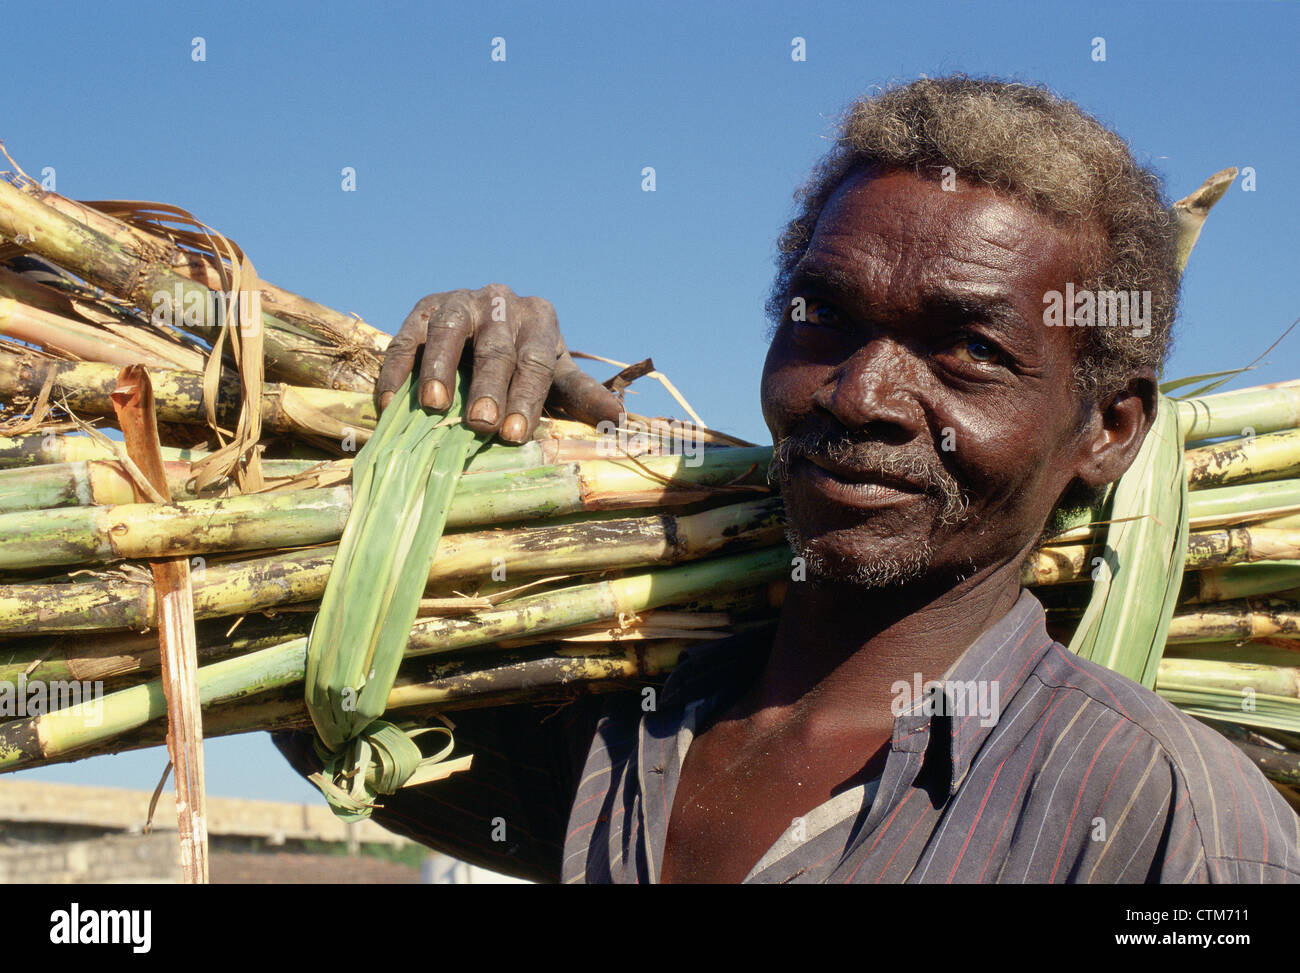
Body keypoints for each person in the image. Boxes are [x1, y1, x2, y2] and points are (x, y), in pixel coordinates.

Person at [276, 75, 1300, 883]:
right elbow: (313, 698)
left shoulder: (1163, 816)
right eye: (826, 318)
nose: (861, 393)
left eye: (969, 350)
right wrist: (436, 416)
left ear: (1108, 428)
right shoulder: (620, 734)